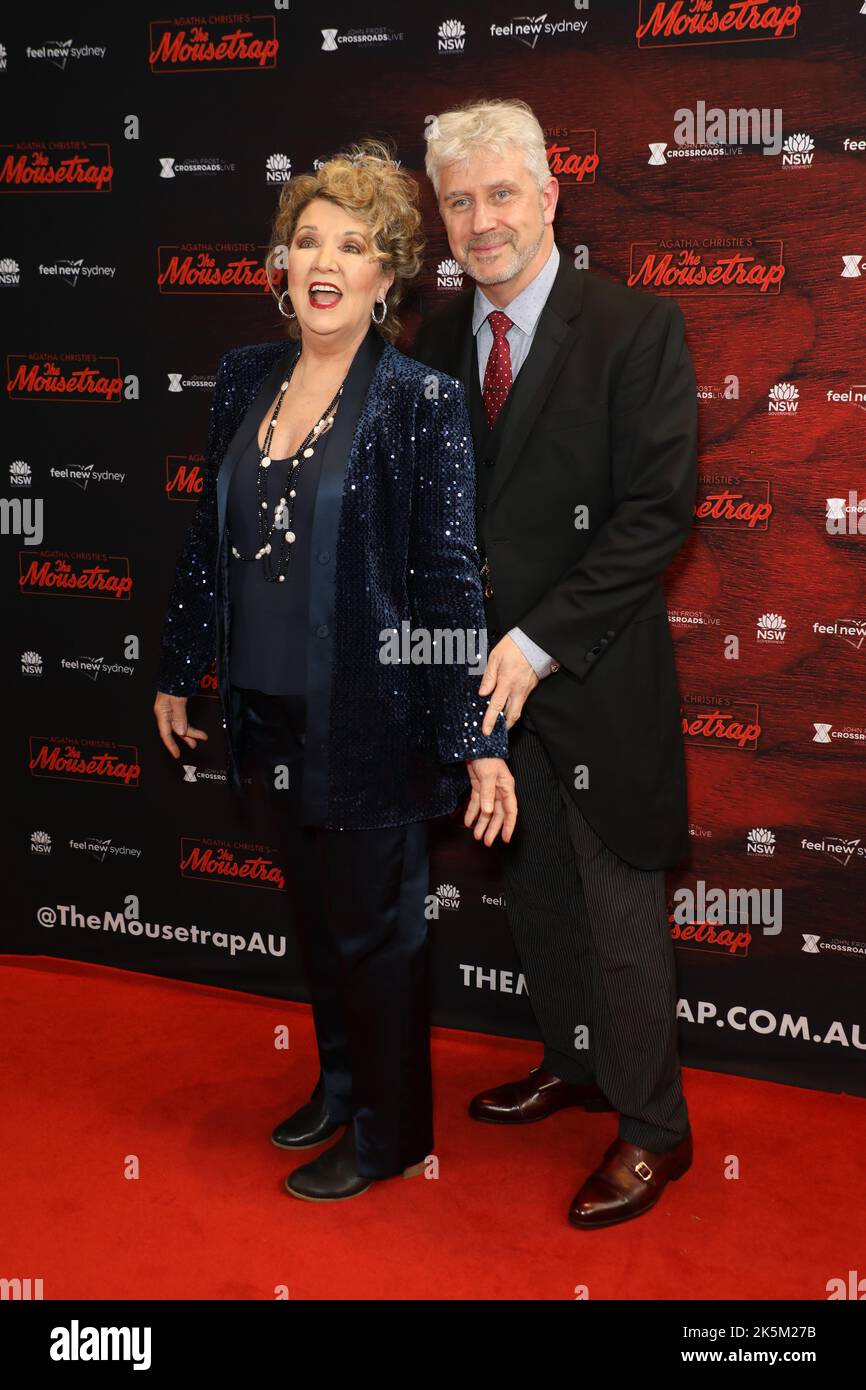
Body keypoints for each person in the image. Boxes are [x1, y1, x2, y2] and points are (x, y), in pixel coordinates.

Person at [153, 140, 517, 1203]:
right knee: (315, 921)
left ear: (386, 274)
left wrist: (477, 739)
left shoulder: (418, 402)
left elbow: (449, 585)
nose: (323, 260)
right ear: (281, 261)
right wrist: (180, 666)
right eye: (306, 239)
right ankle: (343, 1083)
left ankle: (391, 1131)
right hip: (263, 713)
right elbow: (203, 536)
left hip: (371, 720)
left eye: (350, 245)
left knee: (378, 935)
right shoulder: (243, 377)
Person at [412, 98, 698, 1229]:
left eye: (498, 193)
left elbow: (655, 514)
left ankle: (653, 1129)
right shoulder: (435, 342)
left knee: (617, 913)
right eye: (458, 200)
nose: (480, 220)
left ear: (549, 192)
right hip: (481, 695)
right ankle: (573, 1064)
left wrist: (533, 643)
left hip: (591, 679)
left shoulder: (633, 326)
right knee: (532, 896)